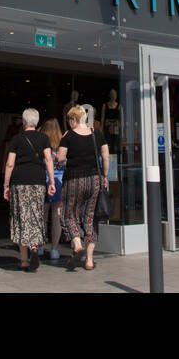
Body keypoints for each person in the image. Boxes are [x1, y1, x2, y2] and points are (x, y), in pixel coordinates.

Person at [56, 104, 109, 271]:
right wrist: (105, 177)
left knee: (68, 214)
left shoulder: (68, 136)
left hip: (74, 179)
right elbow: (105, 156)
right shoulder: (97, 134)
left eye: (69, 120)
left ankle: (77, 243)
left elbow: (60, 158)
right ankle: (89, 260)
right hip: (94, 179)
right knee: (90, 218)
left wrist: (62, 144)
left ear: (73, 119)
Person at [3, 108, 55, 271]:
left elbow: (10, 163)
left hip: (19, 181)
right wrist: (52, 181)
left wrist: (6, 185)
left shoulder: (17, 139)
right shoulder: (44, 138)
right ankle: (34, 246)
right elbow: (48, 160)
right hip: (38, 181)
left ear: (24, 122)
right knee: (36, 215)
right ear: (37, 122)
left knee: (20, 217)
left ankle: (24, 259)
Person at [39, 118, 66, 259]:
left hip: (45, 180)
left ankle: (41, 246)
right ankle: (54, 249)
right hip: (59, 182)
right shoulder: (63, 144)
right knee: (57, 216)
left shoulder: (43, 144)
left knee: (42, 216)